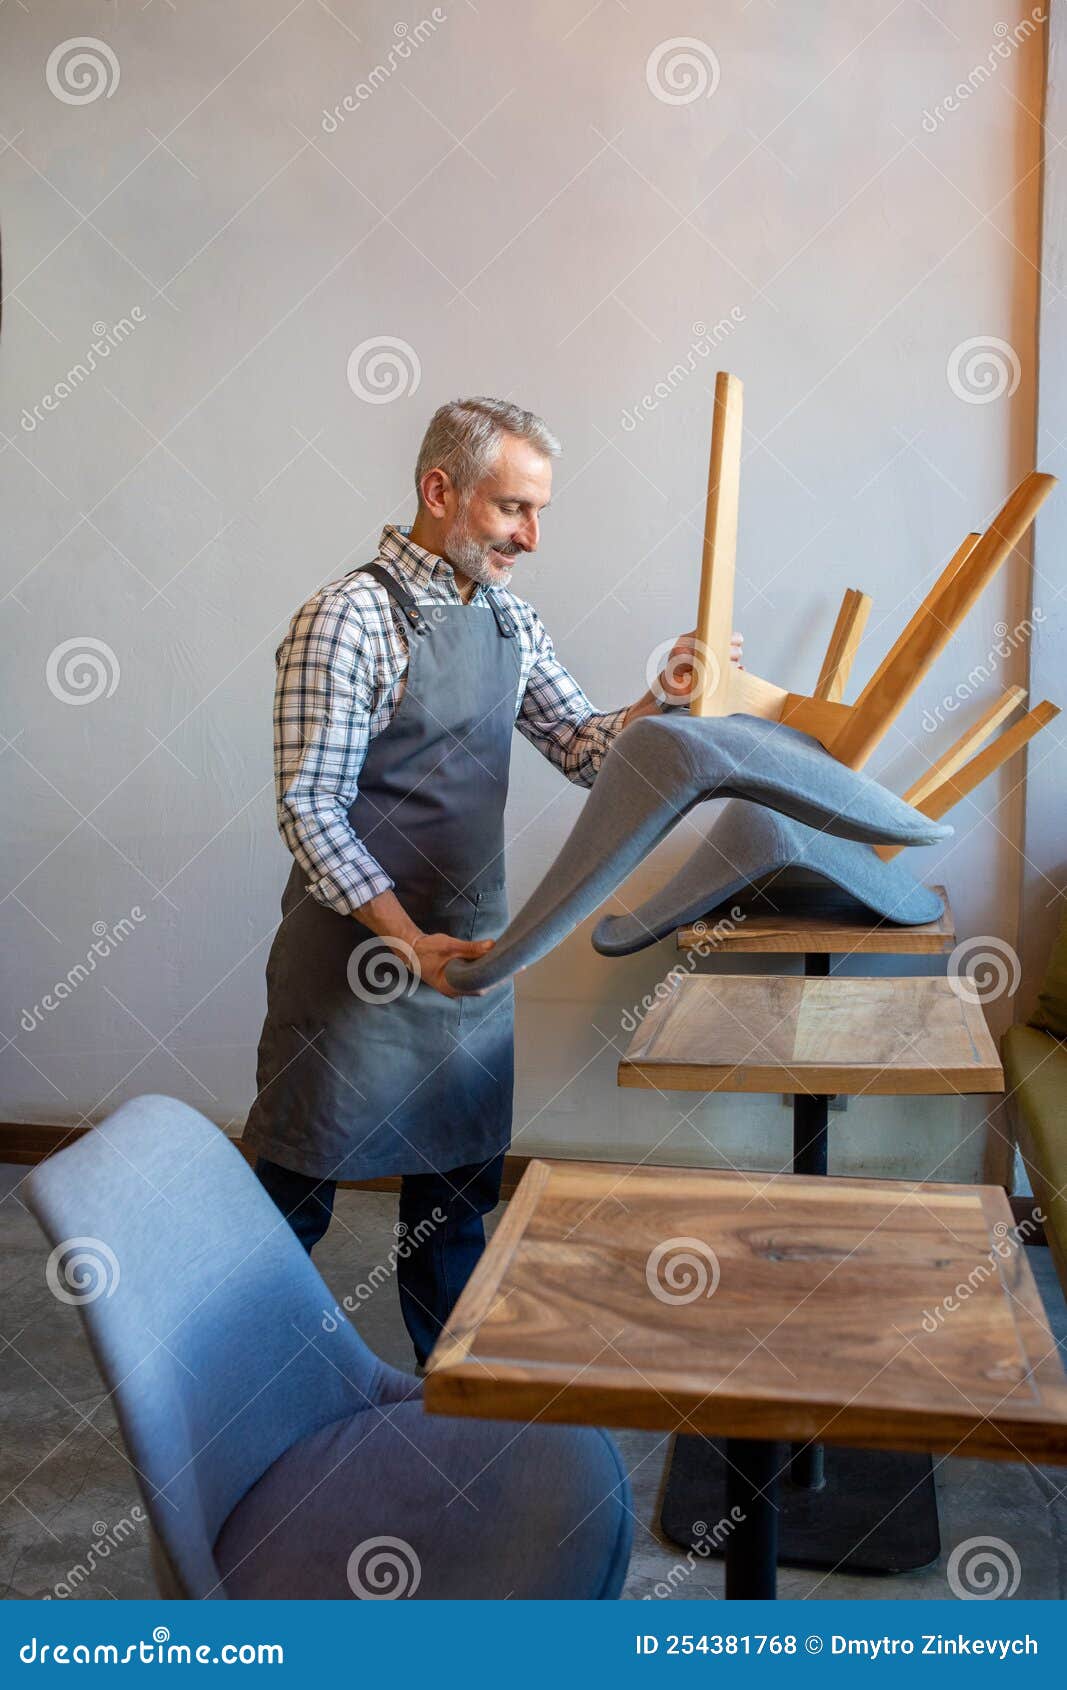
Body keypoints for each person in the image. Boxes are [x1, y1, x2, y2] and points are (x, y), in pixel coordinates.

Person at [242, 396, 742, 1366]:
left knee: (453, 1223)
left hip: (466, 961)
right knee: (290, 1215)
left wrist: (658, 699)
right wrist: (401, 936)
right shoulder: (346, 619)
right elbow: (309, 805)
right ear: (440, 491)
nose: (532, 536)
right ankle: (250, 1411)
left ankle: (455, 1417)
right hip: (356, 971)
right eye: (514, 508)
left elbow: (586, 750)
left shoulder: (508, 620)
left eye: (539, 510)